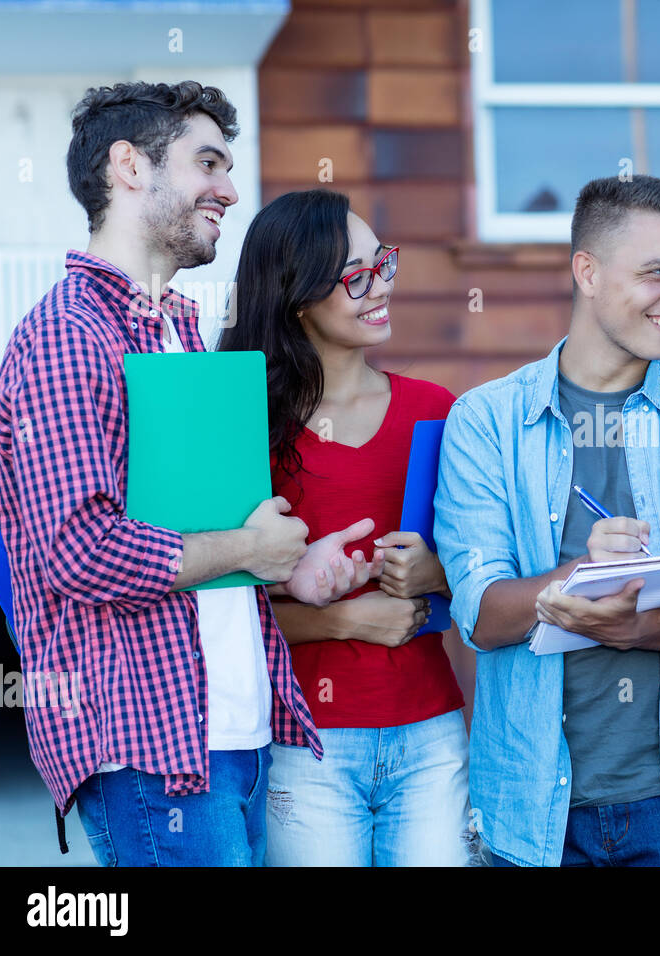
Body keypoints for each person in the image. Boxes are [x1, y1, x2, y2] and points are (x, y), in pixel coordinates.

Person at [0, 81, 373, 867]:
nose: (229, 189)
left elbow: (199, 534)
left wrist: (285, 571)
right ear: (129, 167)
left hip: (234, 731)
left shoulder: (180, 337)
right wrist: (245, 550)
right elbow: (79, 551)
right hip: (151, 747)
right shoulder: (69, 337)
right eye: (207, 162)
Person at [433, 175, 660, 867]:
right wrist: (576, 581)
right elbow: (478, 612)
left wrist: (637, 624)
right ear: (586, 272)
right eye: (657, 273)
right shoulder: (486, 421)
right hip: (532, 813)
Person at [219, 189, 476, 866]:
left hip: (430, 730)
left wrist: (436, 570)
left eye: (382, 264)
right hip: (305, 742)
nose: (379, 288)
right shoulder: (246, 431)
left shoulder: (436, 412)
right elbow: (211, 611)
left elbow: (491, 567)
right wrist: (341, 620)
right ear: (298, 297)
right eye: (354, 277)